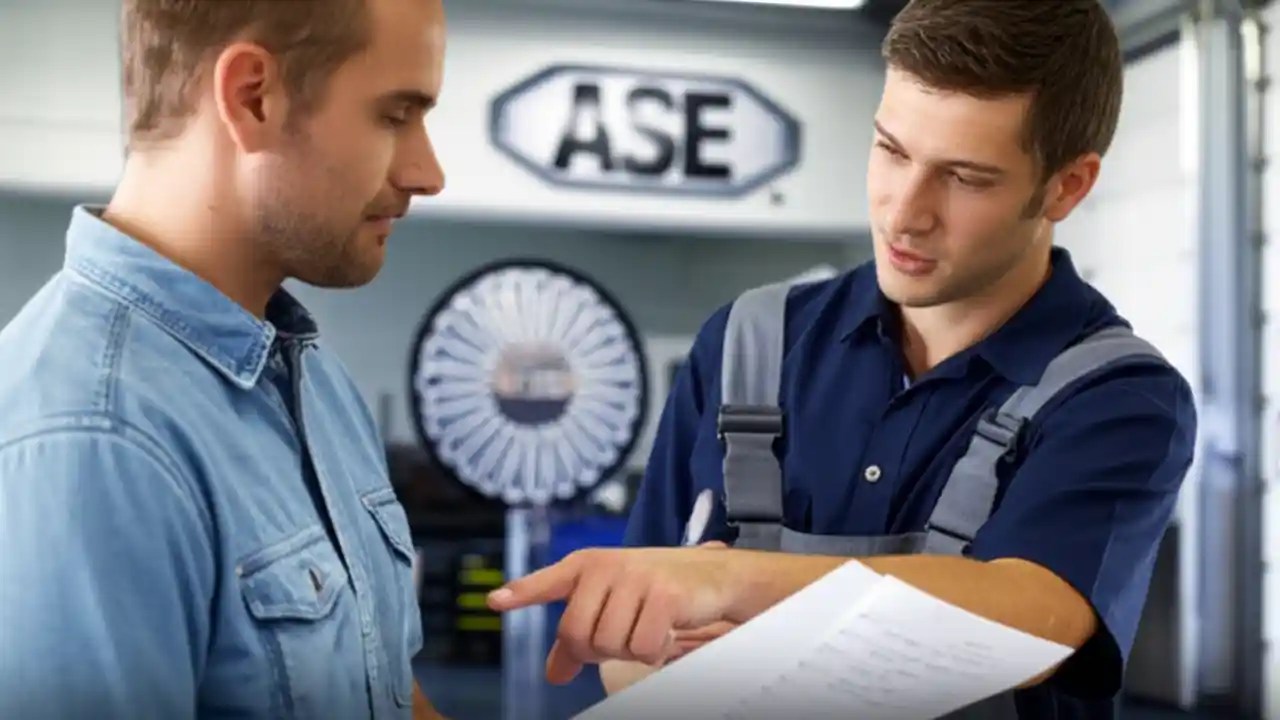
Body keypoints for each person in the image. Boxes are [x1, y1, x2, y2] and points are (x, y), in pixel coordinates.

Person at [487, 0, 1198, 718]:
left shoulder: (1117, 398)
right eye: (891, 149)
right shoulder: (742, 346)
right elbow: (626, 656)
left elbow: (1031, 612)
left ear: (1067, 186)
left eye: (965, 177)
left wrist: (729, 586)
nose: (904, 212)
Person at [0, 1, 449, 718]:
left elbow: (385, 692)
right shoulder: (94, 439)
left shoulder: (311, 383)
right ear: (253, 96)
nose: (430, 173)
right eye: (395, 116)